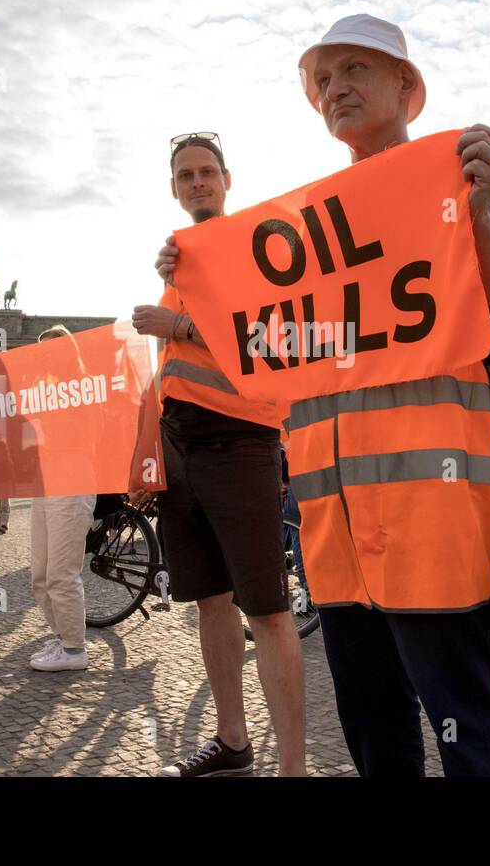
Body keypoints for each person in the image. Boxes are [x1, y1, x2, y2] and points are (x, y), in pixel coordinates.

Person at [156, 15, 490, 776]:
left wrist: (477, 218)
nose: (335, 89)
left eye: (355, 70)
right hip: (333, 524)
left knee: (461, 719)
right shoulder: (308, 221)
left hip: (434, 513)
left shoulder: (458, 174)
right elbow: (267, 356)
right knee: (374, 728)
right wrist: (201, 284)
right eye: (323, 81)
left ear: (407, 87)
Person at [137, 132, 306, 777]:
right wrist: (149, 451)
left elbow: (270, 335)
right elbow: (171, 367)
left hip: (240, 438)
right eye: (187, 175)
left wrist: (174, 323)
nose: (198, 182)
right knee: (210, 598)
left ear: (228, 179)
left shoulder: (257, 245)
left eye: (208, 172)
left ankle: (292, 766)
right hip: (180, 442)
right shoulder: (181, 259)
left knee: (265, 608)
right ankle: (234, 742)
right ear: (174, 188)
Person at [24, 326, 95, 672]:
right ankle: (61, 635)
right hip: (45, 484)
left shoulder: (84, 389)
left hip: (73, 482)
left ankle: (74, 649)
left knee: (61, 573)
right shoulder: (41, 390)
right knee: (40, 573)